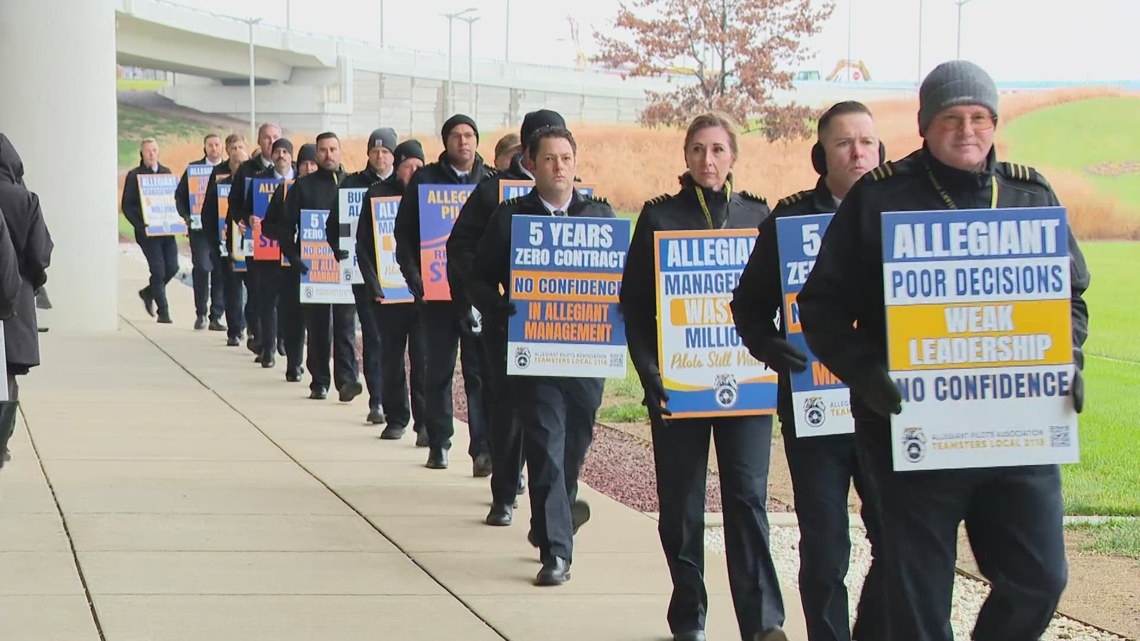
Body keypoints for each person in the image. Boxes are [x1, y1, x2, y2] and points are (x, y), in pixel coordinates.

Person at [798, 60, 1091, 641]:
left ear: (995, 123)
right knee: (918, 600)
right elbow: (822, 308)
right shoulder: (881, 197)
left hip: (1018, 432)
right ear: (925, 126)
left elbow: (1071, 298)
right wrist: (866, 372)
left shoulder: (1030, 196)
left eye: (980, 118)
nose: (967, 131)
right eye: (952, 118)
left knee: (1041, 578)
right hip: (915, 435)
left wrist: (1071, 359)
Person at [620, 113, 787, 641]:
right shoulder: (658, 218)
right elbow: (635, 305)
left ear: (733, 156)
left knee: (747, 502)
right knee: (682, 507)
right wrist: (650, 376)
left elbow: (778, 304)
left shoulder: (759, 217)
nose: (707, 160)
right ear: (685, 156)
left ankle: (762, 623)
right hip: (679, 388)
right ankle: (689, 613)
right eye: (697, 150)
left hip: (747, 386)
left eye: (717, 150)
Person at [731, 101, 887, 641]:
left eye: (867, 141)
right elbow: (747, 308)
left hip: (887, 410)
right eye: (845, 143)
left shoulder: (902, 212)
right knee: (826, 548)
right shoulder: (791, 221)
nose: (859, 152)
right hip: (815, 411)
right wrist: (774, 349)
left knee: (896, 541)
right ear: (821, 155)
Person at [469, 126, 615, 586]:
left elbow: (624, 282)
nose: (558, 167)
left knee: (573, 450)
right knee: (546, 447)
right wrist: (499, 307)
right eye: (548, 159)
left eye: (566, 158)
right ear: (530, 163)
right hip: (536, 354)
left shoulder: (600, 215)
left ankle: (550, 520)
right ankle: (557, 553)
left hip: (588, 356)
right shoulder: (512, 219)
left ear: (575, 162)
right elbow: (477, 278)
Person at [449, 109, 567, 524]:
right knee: (509, 413)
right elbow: (461, 249)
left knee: (556, 420)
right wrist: (488, 303)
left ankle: (555, 506)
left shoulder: (580, 197)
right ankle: (505, 491)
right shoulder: (491, 194)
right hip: (509, 323)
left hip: (563, 331)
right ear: (527, 152)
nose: (554, 162)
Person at [393, 114, 491, 472]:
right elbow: (403, 234)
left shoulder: (490, 181)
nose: (463, 142)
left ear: (477, 141)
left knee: (480, 373)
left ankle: (482, 448)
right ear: (445, 142)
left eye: (469, 135)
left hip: (478, 296)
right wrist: (414, 278)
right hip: (435, 296)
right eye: (456, 136)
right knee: (438, 371)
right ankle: (439, 441)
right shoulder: (425, 180)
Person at [358, 140, 429, 444]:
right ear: (397, 168)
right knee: (391, 358)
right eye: (407, 166)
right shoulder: (377, 196)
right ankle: (396, 417)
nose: (412, 171)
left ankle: (426, 423)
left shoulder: (432, 198)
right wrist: (374, 287)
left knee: (424, 360)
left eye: (418, 166)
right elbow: (363, 247)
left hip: (424, 296)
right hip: (388, 295)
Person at [283, 132, 363, 401]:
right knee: (318, 327)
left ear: (341, 152)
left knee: (345, 326)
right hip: (314, 270)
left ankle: (347, 380)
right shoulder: (303, 187)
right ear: (316, 154)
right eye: (323, 150)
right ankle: (319, 380)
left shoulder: (352, 184)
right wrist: (293, 256)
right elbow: (285, 225)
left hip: (344, 270)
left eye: (333, 149)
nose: (329, 155)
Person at [327, 127, 398, 424]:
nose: (379, 157)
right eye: (375, 151)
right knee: (373, 336)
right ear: (368, 154)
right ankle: (377, 400)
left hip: (400, 276)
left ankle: (397, 401)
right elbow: (334, 226)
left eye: (385, 151)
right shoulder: (351, 184)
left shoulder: (404, 183)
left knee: (396, 342)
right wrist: (340, 252)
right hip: (363, 274)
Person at [0, 133, 52, 469]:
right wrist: (30, 280)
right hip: (16, 298)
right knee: (9, 376)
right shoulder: (25, 199)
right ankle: (2, 442)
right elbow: (40, 251)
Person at [264, 142, 317, 381]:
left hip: (322, 268)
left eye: (313, 163)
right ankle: (294, 364)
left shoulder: (334, 189)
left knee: (318, 322)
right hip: (290, 266)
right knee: (293, 317)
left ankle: (315, 366)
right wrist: (286, 235)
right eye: (305, 163)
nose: (309, 168)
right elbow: (268, 225)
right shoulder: (285, 191)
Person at [228, 123, 282, 355]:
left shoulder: (290, 168)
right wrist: (244, 217)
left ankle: (277, 338)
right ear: (259, 142)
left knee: (281, 295)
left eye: (275, 138)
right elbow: (235, 202)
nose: (271, 142)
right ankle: (260, 336)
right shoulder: (247, 169)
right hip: (255, 242)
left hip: (282, 243)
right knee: (258, 291)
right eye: (266, 138)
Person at [248, 138, 296, 368]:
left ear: (292, 156)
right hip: (266, 252)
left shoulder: (301, 182)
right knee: (267, 303)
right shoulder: (259, 181)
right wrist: (248, 219)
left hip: (293, 255)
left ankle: (284, 341)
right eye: (278, 151)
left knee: (289, 305)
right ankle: (268, 349)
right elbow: (246, 209)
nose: (281, 156)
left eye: (286, 152)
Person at [201, 134, 250, 347]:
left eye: (243, 162)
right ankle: (234, 331)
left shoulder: (254, 185)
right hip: (226, 246)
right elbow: (207, 215)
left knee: (254, 291)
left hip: (251, 247)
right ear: (229, 164)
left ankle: (250, 327)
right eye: (236, 162)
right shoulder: (220, 186)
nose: (239, 166)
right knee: (233, 290)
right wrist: (215, 243)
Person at [121, 138, 177, 324]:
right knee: (158, 270)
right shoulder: (134, 175)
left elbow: (173, 201)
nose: (152, 154)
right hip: (147, 232)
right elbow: (127, 206)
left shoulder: (166, 173)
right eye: (148, 151)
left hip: (166, 229)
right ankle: (164, 311)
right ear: (142, 154)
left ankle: (148, 292)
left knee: (173, 267)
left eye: (154, 150)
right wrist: (140, 225)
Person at [175, 133, 226, 331]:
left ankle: (216, 316)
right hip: (199, 230)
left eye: (217, 145)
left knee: (221, 271)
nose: (214, 149)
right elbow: (179, 196)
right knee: (203, 268)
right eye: (210, 145)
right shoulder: (194, 170)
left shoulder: (227, 169)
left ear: (222, 147)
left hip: (222, 230)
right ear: (205, 148)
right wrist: (186, 216)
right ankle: (201, 313)